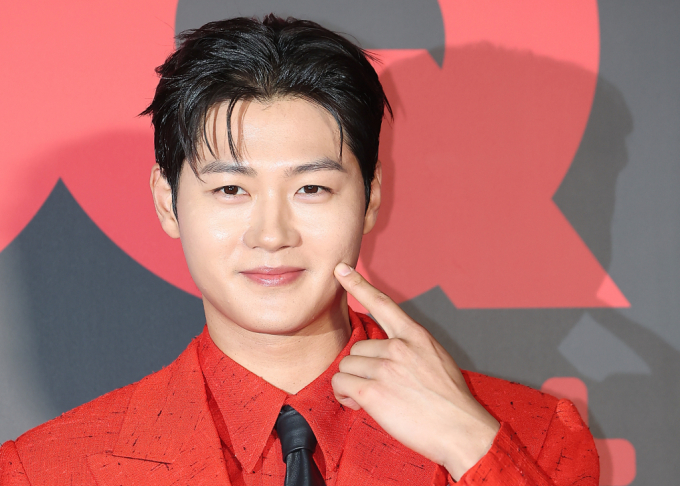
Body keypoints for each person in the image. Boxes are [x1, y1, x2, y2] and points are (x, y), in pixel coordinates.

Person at [0, 15, 598, 486]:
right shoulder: (44, 470)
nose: (271, 234)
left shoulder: (533, 436)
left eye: (311, 189)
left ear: (370, 197)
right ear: (167, 202)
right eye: (231, 190)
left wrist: (470, 445)